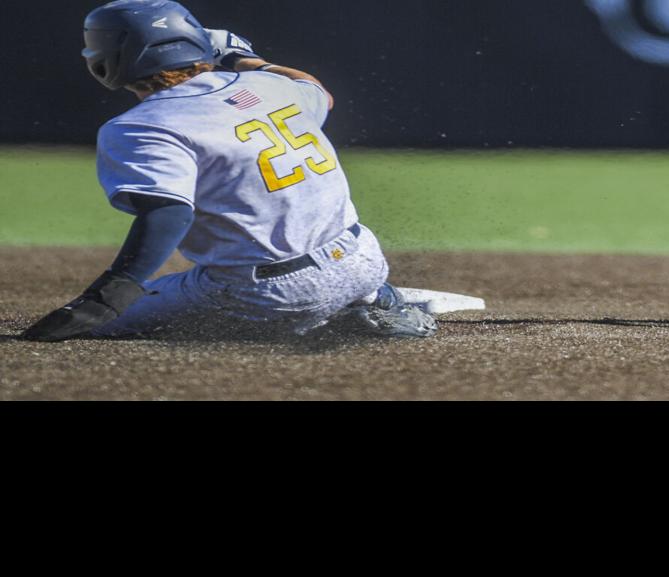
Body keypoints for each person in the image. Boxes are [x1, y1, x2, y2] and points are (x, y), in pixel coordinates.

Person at [22, 0, 438, 343]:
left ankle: (309, 321)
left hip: (270, 294)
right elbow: (319, 93)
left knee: (107, 322)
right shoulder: (270, 87)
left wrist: (109, 296)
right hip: (364, 259)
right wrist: (244, 58)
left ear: (108, 59)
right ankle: (372, 302)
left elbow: (168, 214)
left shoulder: (139, 126)